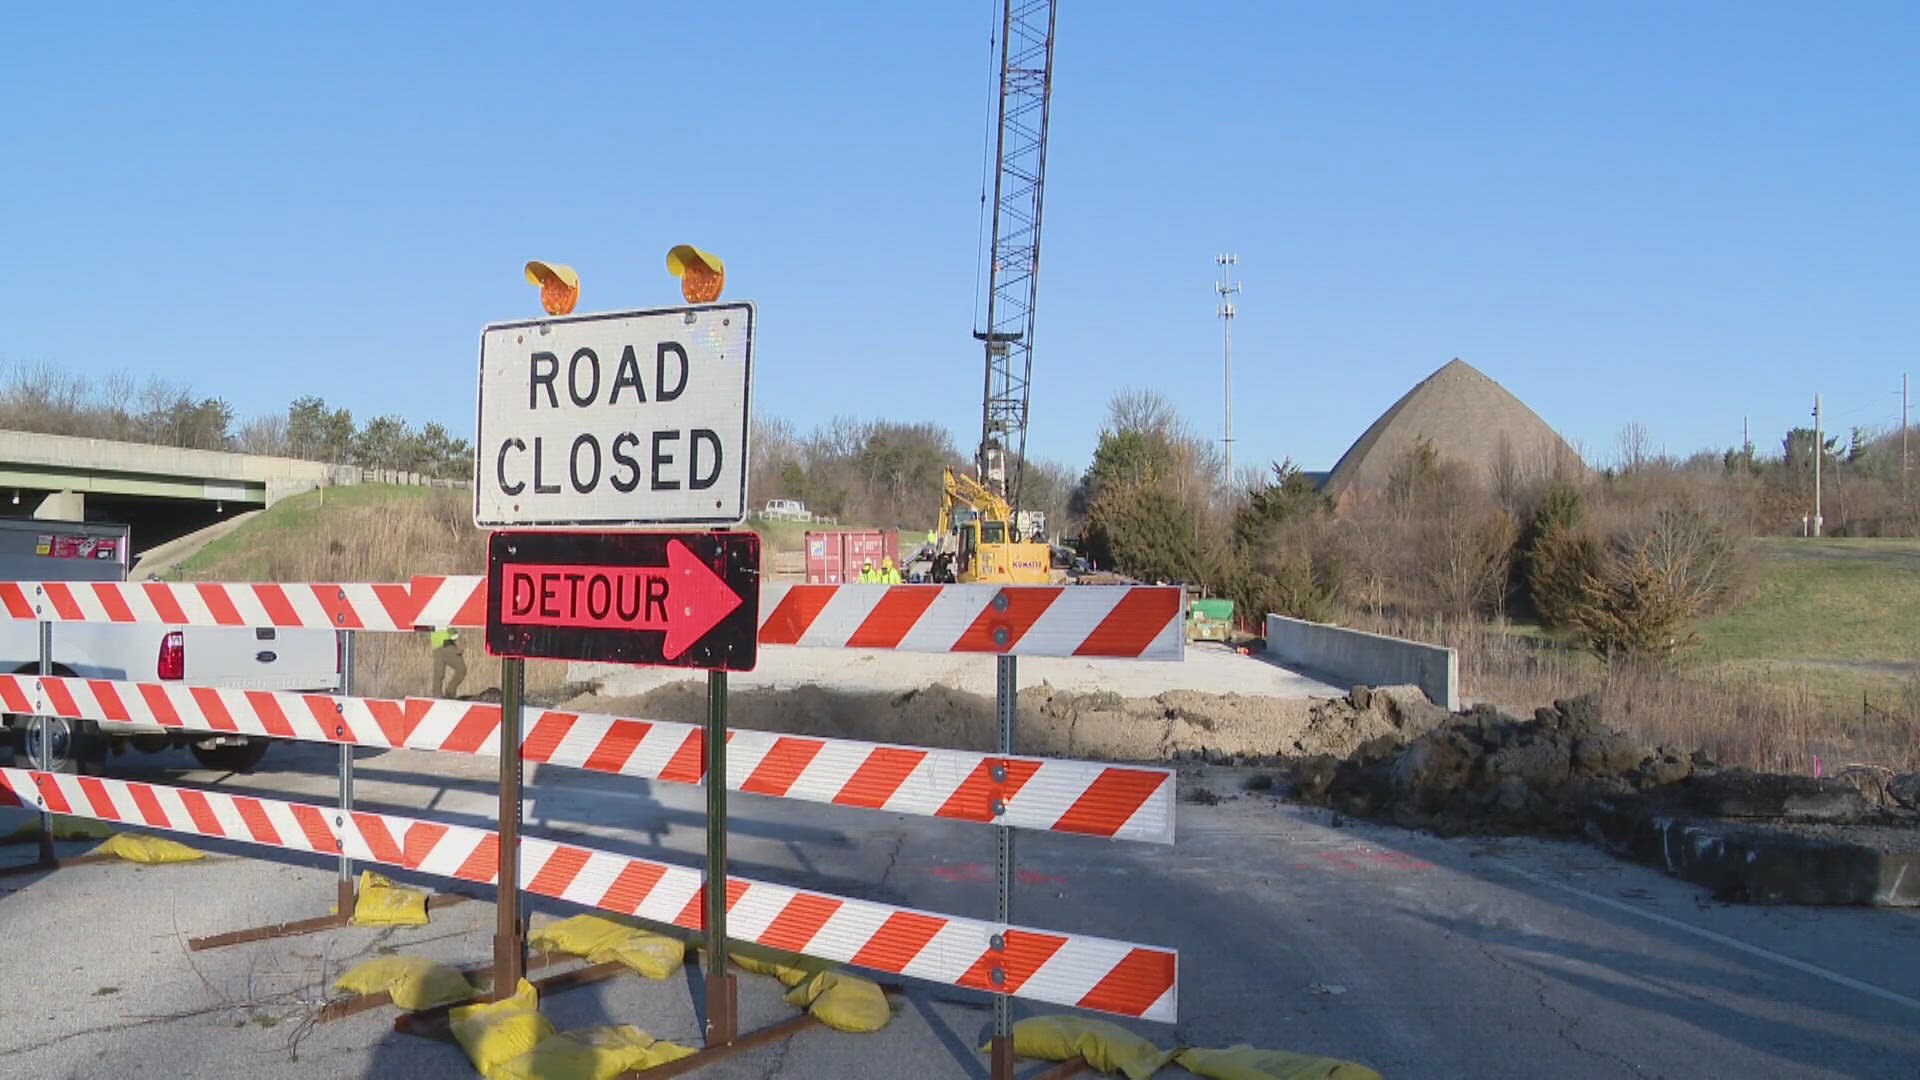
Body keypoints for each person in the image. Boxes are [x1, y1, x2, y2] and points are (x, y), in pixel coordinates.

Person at [430, 627, 466, 698]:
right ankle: (449, 693)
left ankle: (436, 697)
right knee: (461, 669)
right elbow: (452, 632)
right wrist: (458, 639)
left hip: (436, 646)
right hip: (447, 644)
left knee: (438, 674)